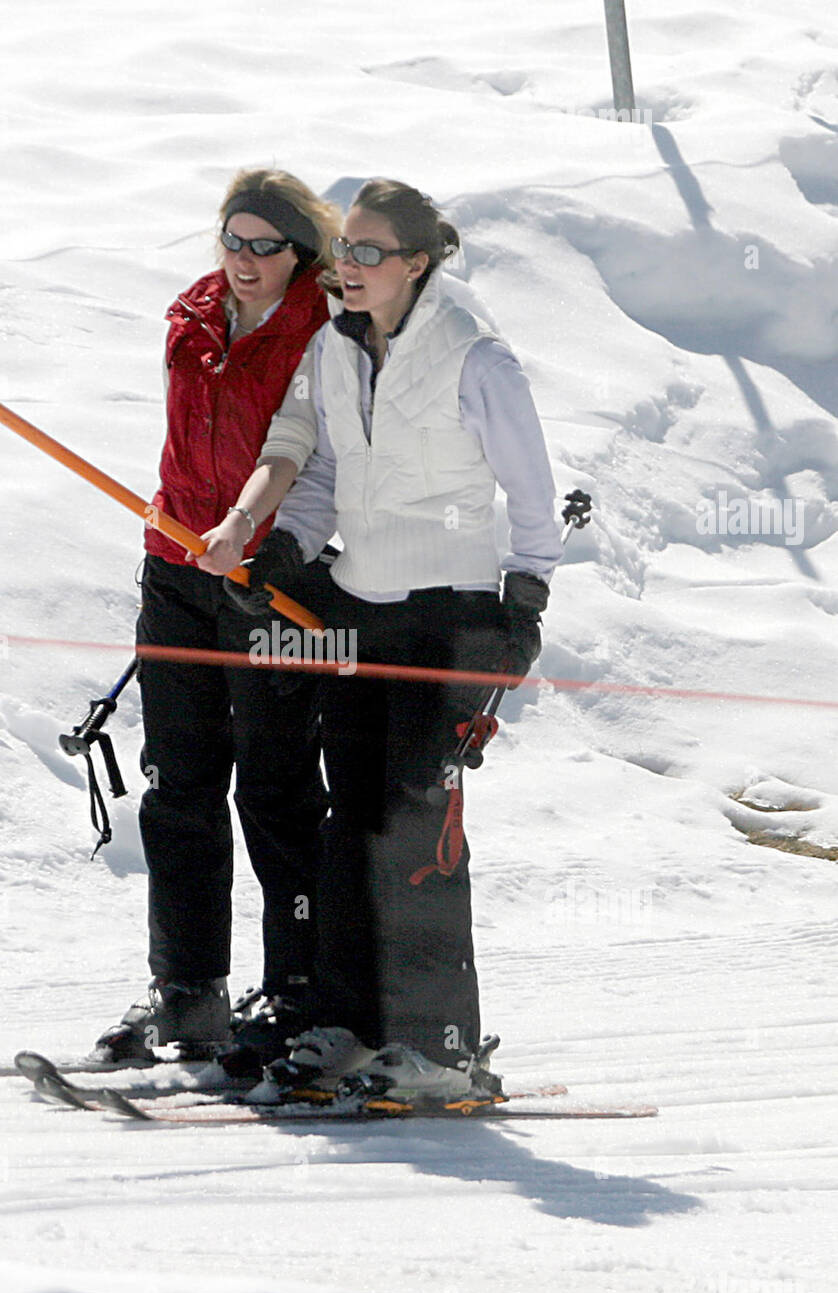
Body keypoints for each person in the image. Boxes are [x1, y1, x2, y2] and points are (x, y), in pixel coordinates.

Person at [197, 178, 563, 1103]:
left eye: (367, 254)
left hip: (451, 614)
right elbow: (322, 475)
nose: (347, 268)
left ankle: (444, 1046)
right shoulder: (333, 348)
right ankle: (352, 1027)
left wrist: (524, 602)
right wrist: (285, 550)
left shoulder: (476, 358)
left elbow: (531, 491)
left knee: (419, 834)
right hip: (365, 606)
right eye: (344, 252)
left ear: (415, 263)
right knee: (350, 828)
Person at [94, 171, 342, 1068]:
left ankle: (299, 993)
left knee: (274, 790)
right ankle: (188, 990)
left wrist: (262, 547)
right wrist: (190, 537)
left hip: (270, 581)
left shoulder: (327, 332)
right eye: (232, 241)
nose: (243, 261)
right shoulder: (193, 316)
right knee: (178, 785)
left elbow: (322, 457)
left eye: (264, 246)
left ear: (299, 252)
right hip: (177, 566)